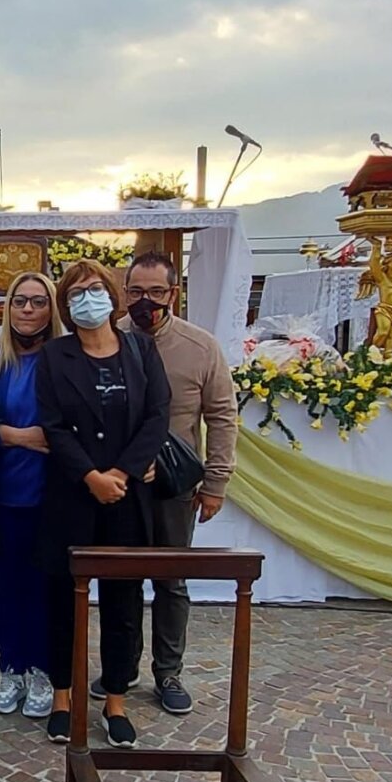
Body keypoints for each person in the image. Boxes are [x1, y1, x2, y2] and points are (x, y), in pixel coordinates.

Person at [36, 260, 170, 749]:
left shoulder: (141, 349)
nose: (86, 299)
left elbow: (157, 415)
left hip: (127, 497)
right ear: (66, 305)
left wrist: (121, 472)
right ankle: (62, 695)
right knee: (62, 600)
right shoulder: (55, 356)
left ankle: (115, 698)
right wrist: (90, 475)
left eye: (94, 290)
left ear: (113, 298)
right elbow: (51, 424)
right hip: (71, 496)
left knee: (123, 602)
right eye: (75, 293)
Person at [107, 250, 237, 716]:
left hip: (173, 484)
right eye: (136, 292)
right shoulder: (107, 338)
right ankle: (121, 668)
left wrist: (217, 480)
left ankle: (168, 670)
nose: (145, 301)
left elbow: (222, 415)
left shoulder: (200, 347)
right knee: (118, 580)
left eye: (155, 292)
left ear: (174, 293)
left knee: (170, 580)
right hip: (119, 482)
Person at [0, 272, 63, 722]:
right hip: (4, 494)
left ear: (52, 309)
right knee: (7, 588)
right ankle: (10, 666)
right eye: (19, 302)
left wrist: (44, 437)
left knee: (44, 589)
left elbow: (69, 428)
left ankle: (42, 669)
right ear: (7, 309)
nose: (28, 310)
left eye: (37, 302)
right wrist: (16, 435)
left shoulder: (65, 360)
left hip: (51, 497)